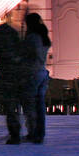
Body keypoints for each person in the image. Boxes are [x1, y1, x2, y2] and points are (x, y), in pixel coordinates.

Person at [0, 9, 31, 144]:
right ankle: (18, 132)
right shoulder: (14, 33)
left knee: (10, 107)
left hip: (5, 75)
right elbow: (21, 52)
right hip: (16, 75)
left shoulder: (0, 32)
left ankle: (14, 133)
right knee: (17, 105)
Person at [23, 13, 51, 143]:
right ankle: (40, 133)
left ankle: (33, 132)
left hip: (32, 73)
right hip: (43, 72)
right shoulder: (44, 36)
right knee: (40, 105)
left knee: (30, 105)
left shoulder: (32, 37)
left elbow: (27, 54)